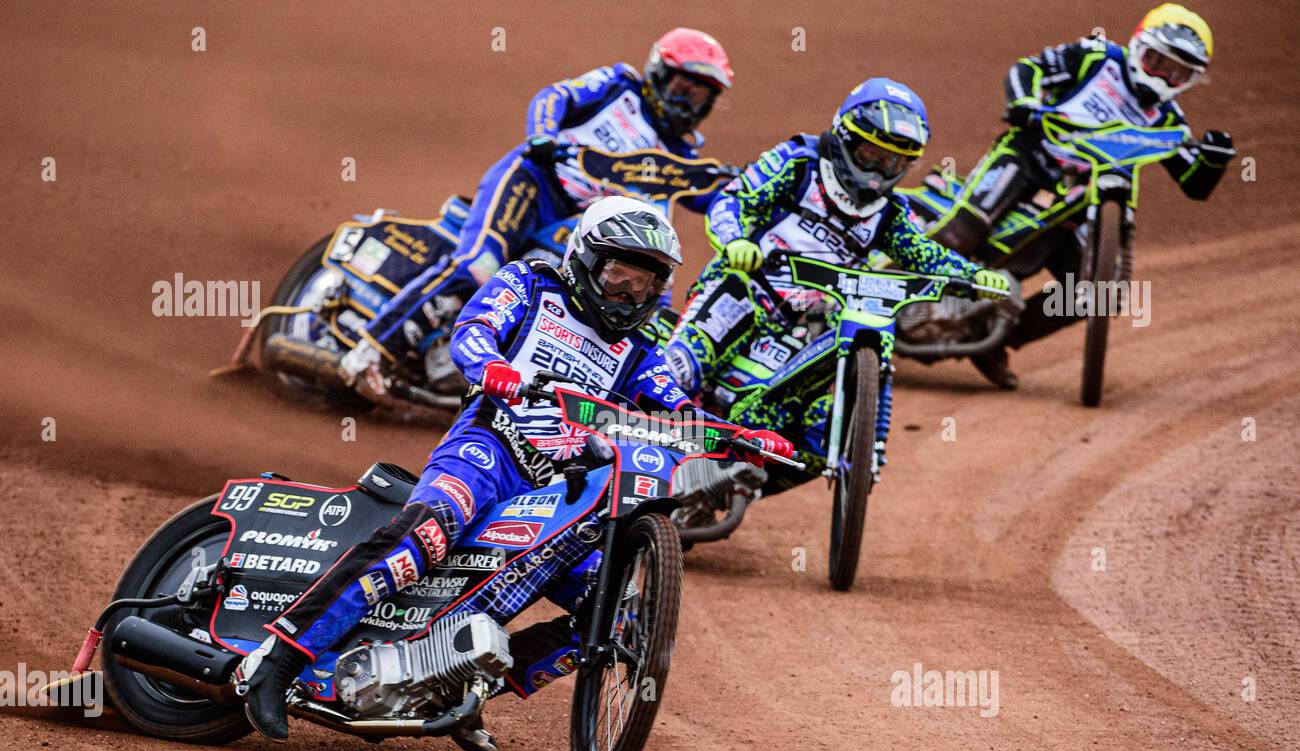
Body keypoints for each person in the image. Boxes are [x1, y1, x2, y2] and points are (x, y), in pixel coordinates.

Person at [235, 197, 793, 751]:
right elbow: (472, 330)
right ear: (585, 260)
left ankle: (460, 688)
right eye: (620, 275)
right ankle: (279, 660)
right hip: (486, 450)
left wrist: (740, 438)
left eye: (646, 285)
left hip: (556, 490)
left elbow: (675, 411)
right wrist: (493, 370)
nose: (631, 295)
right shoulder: (529, 283)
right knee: (424, 536)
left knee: (615, 613)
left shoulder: (641, 351)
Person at [339, 28, 736, 389]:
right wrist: (543, 137)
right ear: (659, 72)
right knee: (479, 266)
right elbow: (556, 96)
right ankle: (369, 351)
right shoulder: (618, 86)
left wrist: (747, 191)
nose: (688, 103)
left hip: (579, 227)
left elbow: (704, 205)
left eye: (701, 95)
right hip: (535, 182)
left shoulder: (681, 161)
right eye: (684, 87)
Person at [664, 78, 1007, 485]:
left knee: (802, 423)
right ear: (845, 136)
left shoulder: (890, 211)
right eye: (872, 155)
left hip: (812, 321)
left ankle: (731, 475)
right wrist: (736, 241)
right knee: (679, 373)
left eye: (894, 163)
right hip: (749, 289)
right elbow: (733, 199)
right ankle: (616, 452)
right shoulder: (799, 162)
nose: (880, 173)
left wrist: (972, 275)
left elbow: (919, 250)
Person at [928, 3, 1235, 388]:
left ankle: (996, 339)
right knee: (960, 235)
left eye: (1176, 72)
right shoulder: (1096, 57)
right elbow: (1029, 68)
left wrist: (1215, 159)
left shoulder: (1168, 122)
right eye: (1157, 61)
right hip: (1031, 157)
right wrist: (1023, 104)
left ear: (1190, 79)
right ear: (1139, 45)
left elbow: (1195, 182)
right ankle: (882, 297)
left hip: (1088, 201)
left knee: (1098, 296)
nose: (1162, 75)